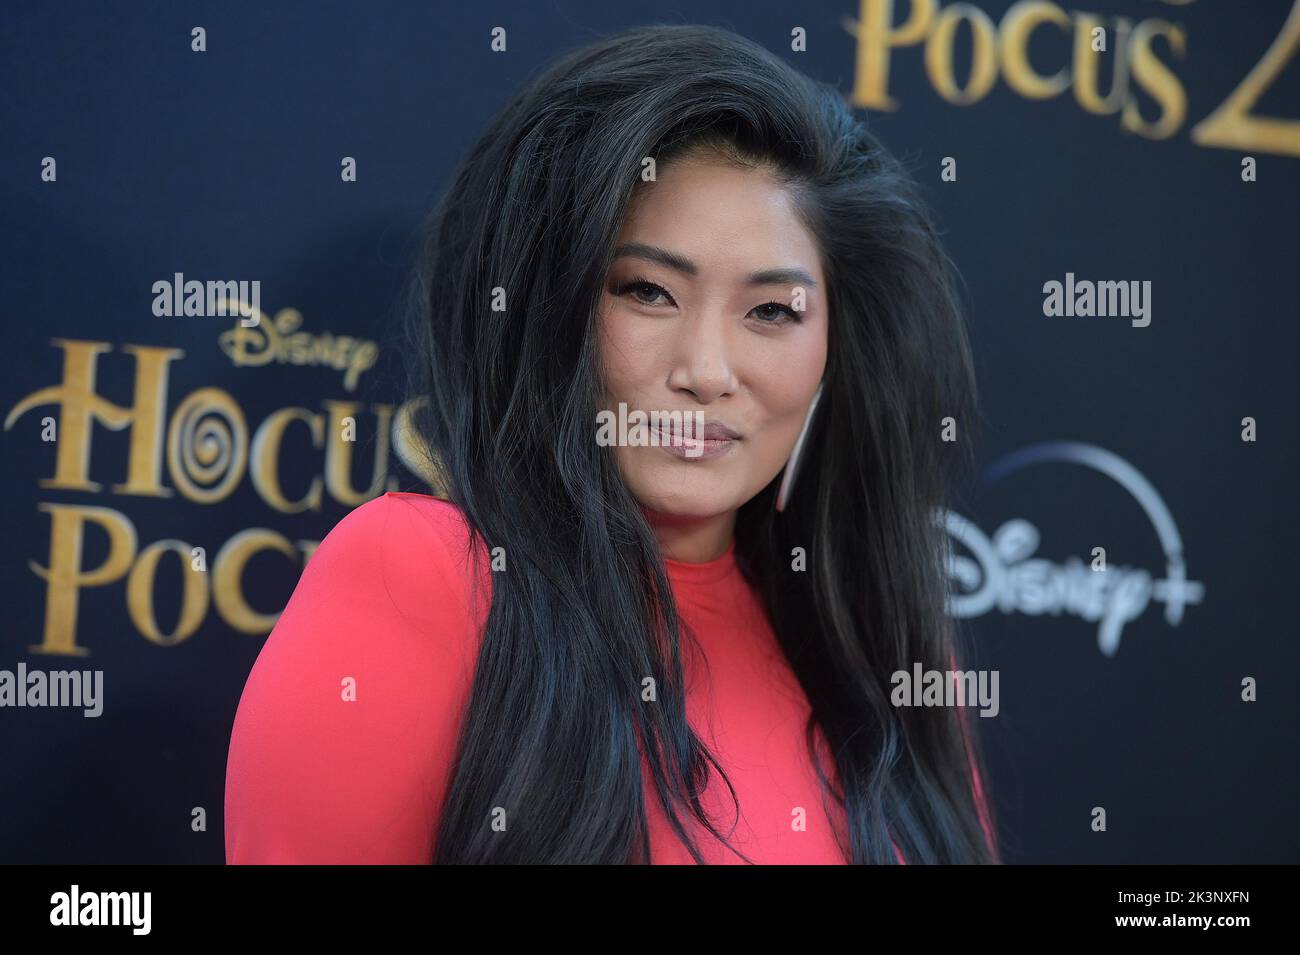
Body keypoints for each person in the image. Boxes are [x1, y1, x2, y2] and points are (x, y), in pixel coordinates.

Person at [224, 23, 998, 864]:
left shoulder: (881, 646)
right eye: (648, 291)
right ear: (550, 305)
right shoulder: (425, 578)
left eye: (772, 310)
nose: (706, 371)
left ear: (835, 351)